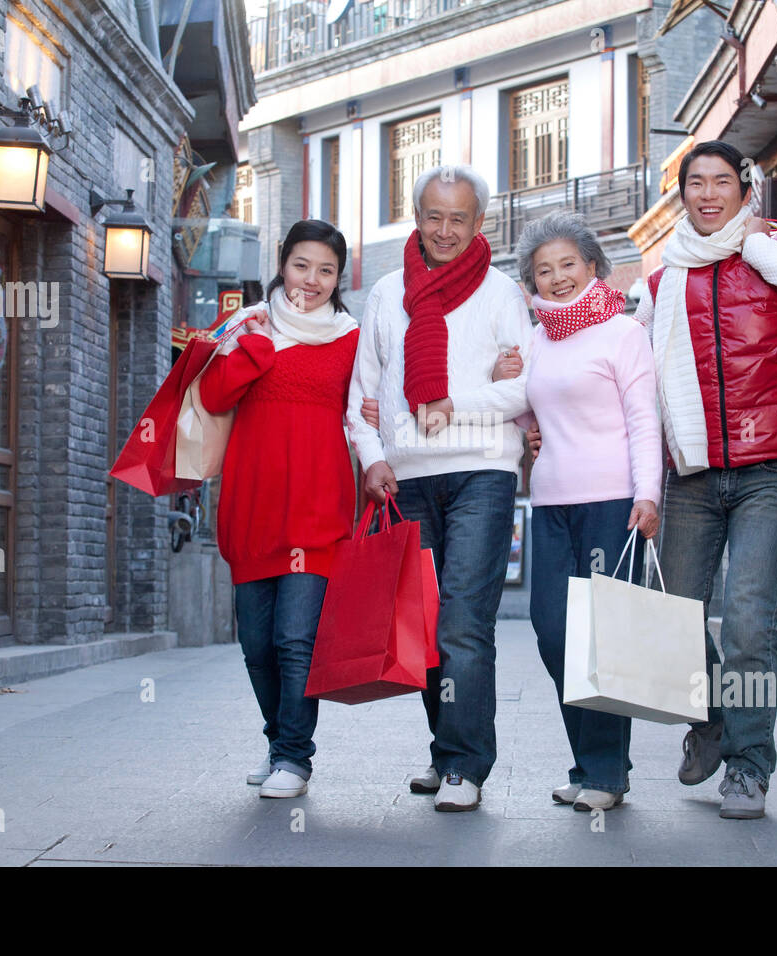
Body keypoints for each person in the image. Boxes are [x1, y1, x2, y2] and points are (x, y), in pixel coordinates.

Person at [625, 140, 777, 819]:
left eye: (723, 182)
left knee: (750, 623)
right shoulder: (662, 280)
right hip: (691, 474)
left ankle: (749, 766)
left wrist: (751, 241)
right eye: (697, 183)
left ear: (746, 189)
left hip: (767, 472)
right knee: (675, 619)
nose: (709, 194)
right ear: (681, 194)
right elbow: (622, 362)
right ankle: (714, 718)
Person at [346, 164, 532, 812]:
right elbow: (363, 394)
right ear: (416, 217)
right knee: (424, 626)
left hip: (483, 471)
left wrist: (454, 406)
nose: (445, 230)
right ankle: (445, 747)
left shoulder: (503, 293)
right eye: (434, 216)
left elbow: (521, 388)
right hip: (408, 479)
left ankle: (465, 764)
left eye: (459, 218)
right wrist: (371, 457)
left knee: (462, 621)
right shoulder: (387, 293)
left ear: (479, 223)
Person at [198, 219, 360, 799]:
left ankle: (295, 756)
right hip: (253, 506)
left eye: (326, 270)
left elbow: (367, 411)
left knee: (297, 639)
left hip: (317, 508)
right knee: (257, 644)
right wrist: (258, 345)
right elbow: (214, 395)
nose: (311, 281)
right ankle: (277, 742)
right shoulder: (249, 324)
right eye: (301, 265)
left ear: (339, 278)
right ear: (282, 263)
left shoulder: (350, 337)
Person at [510, 211, 661, 812]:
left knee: (602, 642)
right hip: (549, 503)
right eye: (544, 271)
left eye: (568, 264)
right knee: (554, 634)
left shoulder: (623, 334)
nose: (557, 278)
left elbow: (644, 418)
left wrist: (647, 494)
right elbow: (526, 406)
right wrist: (527, 426)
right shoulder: (536, 338)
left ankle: (602, 772)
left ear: (593, 266)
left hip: (611, 503)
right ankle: (597, 761)